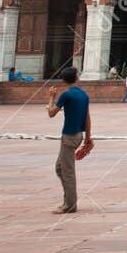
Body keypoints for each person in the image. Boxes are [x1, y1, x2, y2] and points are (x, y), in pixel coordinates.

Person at [46, 67, 91, 214]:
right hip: (78, 135)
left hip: (69, 136)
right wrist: (88, 138)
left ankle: (70, 205)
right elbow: (87, 118)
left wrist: (52, 97)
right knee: (60, 168)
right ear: (76, 78)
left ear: (64, 80)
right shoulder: (83, 95)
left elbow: (51, 113)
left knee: (67, 171)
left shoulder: (66, 95)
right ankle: (68, 199)